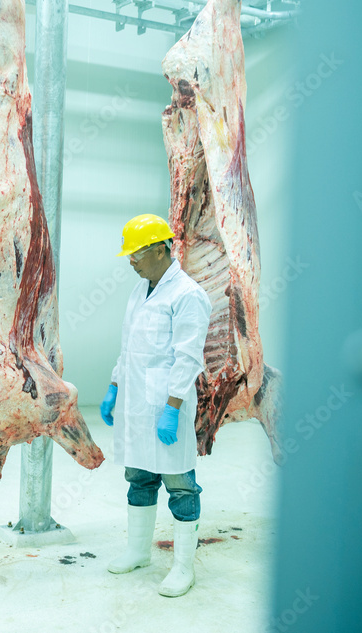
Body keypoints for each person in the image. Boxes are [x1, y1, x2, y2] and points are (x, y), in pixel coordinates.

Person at [100, 213, 212, 598]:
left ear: (162, 249)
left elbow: (188, 358)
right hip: (135, 405)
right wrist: (115, 384)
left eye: (136, 253)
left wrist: (173, 407)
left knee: (180, 485)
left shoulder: (187, 295)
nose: (130, 260)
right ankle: (138, 551)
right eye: (129, 254)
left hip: (167, 406)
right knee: (139, 477)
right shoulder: (141, 289)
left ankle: (183, 567)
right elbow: (128, 347)